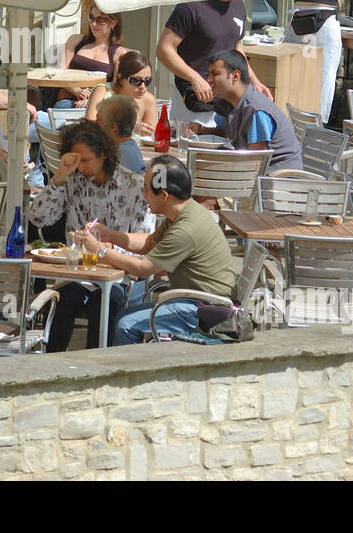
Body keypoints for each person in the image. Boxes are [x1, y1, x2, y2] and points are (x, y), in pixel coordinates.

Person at [85, 155, 239, 345]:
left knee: (126, 324)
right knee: (123, 316)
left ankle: (133, 372)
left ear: (164, 195)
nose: (143, 194)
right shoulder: (182, 212)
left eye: (147, 190)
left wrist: (99, 250)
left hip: (207, 310)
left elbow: (143, 268)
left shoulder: (185, 229)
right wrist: (110, 235)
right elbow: (149, 243)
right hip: (196, 300)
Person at [27, 120, 153, 352]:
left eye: (85, 160)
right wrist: (60, 176)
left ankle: (95, 367)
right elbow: (38, 218)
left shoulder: (134, 186)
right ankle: (50, 366)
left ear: (103, 154)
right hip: (78, 273)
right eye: (75, 160)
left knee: (102, 306)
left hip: (117, 275)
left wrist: (105, 248)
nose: (80, 167)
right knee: (62, 301)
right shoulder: (72, 181)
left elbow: (145, 240)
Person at [187, 49, 301, 172]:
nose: (209, 80)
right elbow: (223, 132)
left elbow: (254, 159)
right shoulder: (228, 101)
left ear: (235, 76)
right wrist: (201, 130)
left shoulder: (256, 110)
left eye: (215, 74)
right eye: (209, 74)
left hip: (279, 181)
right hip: (255, 176)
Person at [157, 0, 271, 114]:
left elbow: (236, 48)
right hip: (198, 101)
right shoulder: (189, 7)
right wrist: (195, 78)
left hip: (228, 101)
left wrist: (254, 82)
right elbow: (164, 49)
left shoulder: (238, 4)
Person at [283, 0, 350, 123]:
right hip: (307, 19)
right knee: (303, 77)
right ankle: (299, 128)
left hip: (314, 18)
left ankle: (314, 128)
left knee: (319, 78)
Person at [51, 0, 131, 108]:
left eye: (100, 20)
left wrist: (92, 100)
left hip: (99, 104)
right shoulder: (75, 41)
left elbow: (116, 88)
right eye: (91, 18)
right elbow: (60, 74)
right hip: (68, 100)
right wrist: (78, 92)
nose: (93, 24)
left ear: (113, 22)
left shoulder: (119, 53)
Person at [85, 50, 158, 137]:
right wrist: (130, 128)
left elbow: (152, 137)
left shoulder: (148, 100)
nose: (142, 86)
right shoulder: (103, 91)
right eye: (136, 80)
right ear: (120, 77)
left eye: (147, 80)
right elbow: (89, 127)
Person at [95, 94, 146, 174]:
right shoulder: (130, 146)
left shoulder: (118, 155)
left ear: (113, 127)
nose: (94, 125)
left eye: (98, 122)